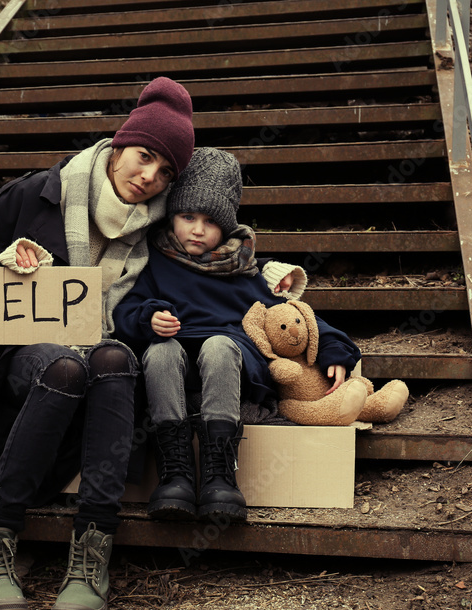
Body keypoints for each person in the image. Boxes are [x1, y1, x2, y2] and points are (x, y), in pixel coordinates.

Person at [0, 77, 194, 610]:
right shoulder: (34, 195)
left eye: (166, 171)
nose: (149, 176)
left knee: (112, 359)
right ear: (119, 146)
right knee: (64, 362)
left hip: (102, 380)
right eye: (144, 156)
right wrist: (5, 265)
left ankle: (91, 553)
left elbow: (210, 279)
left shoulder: (160, 237)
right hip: (15, 361)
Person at [113, 147, 361, 524]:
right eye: (187, 216)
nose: (197, 229)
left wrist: (333, 348)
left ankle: (219, 471)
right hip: (172, 373)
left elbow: (290, 316)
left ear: (226, 227)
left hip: (230, 369)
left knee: (218, 344)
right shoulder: (153, 262)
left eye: (210, 222)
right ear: (171, 216)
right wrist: (148, 319)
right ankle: (175, 472)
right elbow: (124, 310)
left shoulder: (242, 272)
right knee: (161, 350)